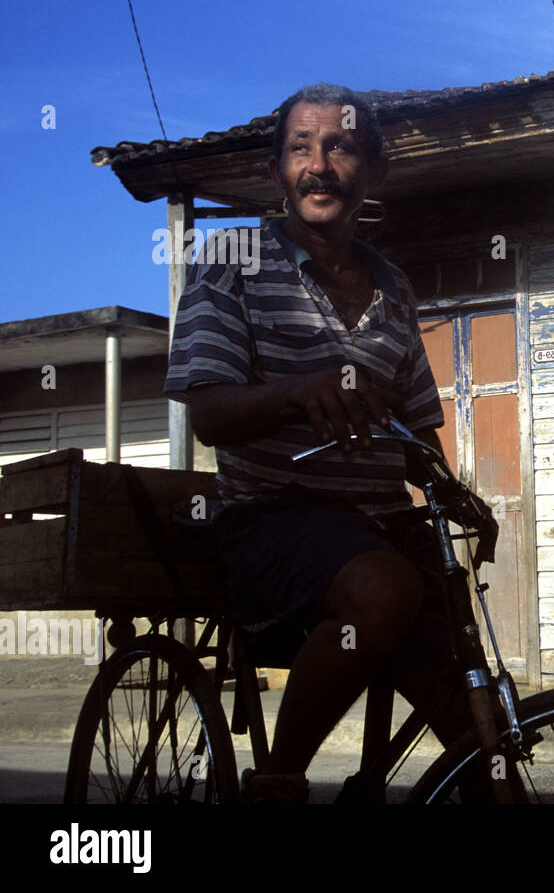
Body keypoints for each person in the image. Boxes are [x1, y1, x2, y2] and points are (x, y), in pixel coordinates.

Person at [165, 83, 491, 803]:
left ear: (375, 170)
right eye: (301, 148)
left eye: (340, 146)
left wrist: (455, 490)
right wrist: (294, 390)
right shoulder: (234, 257)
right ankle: (277, 782)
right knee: (383, 589)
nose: (319, 165)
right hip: (271, 517)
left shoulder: (394, 286)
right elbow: (209, 416)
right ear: (278, 170)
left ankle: (481, 776)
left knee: (478, 710)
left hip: (379, 525)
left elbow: (418, 425)